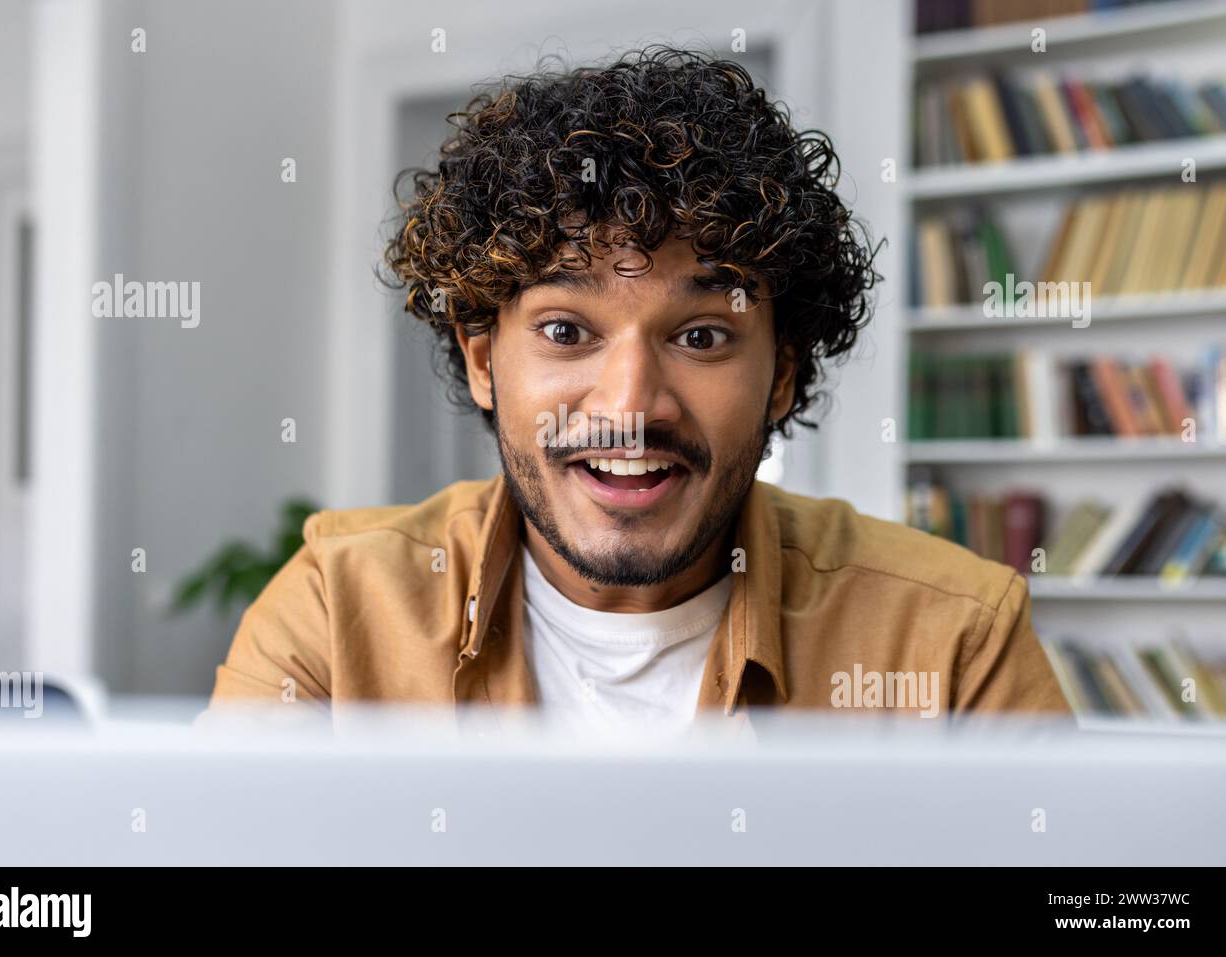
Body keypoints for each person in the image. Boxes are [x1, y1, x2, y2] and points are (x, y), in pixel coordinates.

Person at [203, 47, 1070, 731]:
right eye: (565, 331)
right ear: (481, 362)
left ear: (783, 375)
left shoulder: (953, 640)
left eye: (701, 336)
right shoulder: (338, 608)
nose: (628, 409)